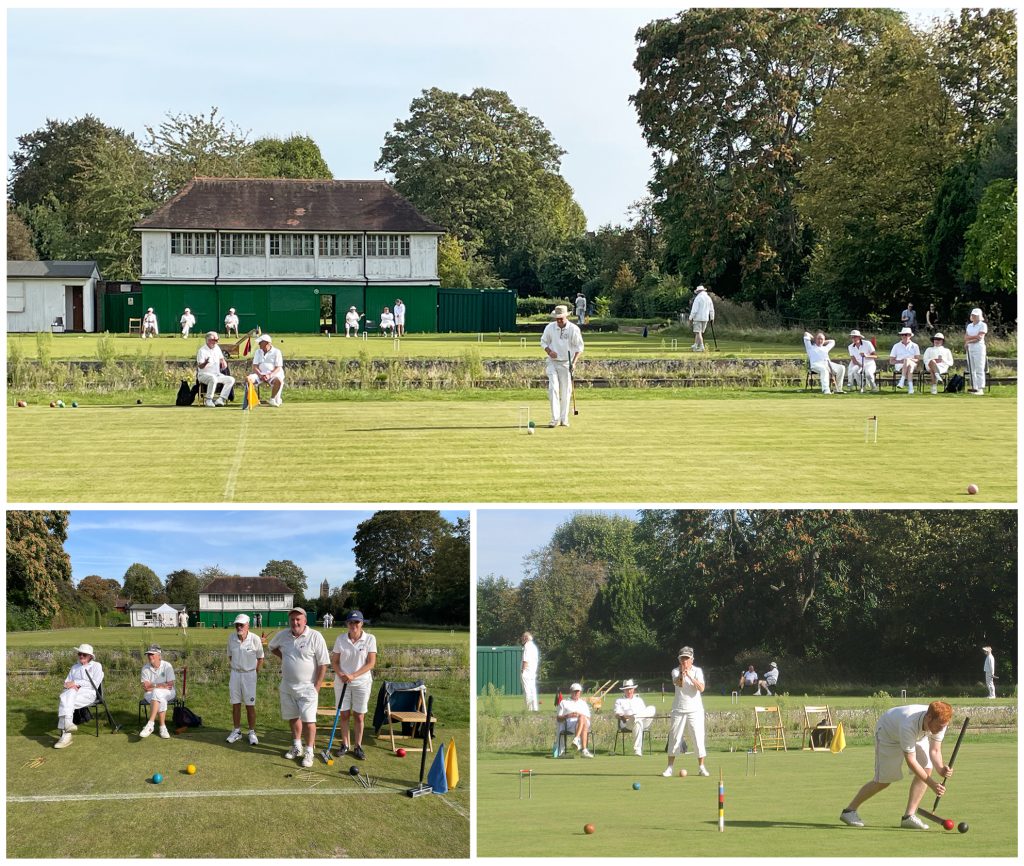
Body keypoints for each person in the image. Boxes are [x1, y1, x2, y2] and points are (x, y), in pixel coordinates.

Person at [840, 701, 954, 829]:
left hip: (918, 735)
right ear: (929, 717)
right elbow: (911, 761)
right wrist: (932, 784)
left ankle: (908, 817)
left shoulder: (940, 723)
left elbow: (935, 750)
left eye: (943, 726)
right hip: (888, 734)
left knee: (927, 767)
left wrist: (940, 768)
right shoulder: (908, 724)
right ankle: (849, 811)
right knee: (883, 781)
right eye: (939, 726)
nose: (941, 729)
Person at [268, 607, 330, 768]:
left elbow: (324, 663)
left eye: (298, 619)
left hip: (308, 687)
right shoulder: (283, 635)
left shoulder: (315, 636)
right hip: (287, 685)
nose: (295, 622)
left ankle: (309, 751)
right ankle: (297, 746)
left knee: (309, 721)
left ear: (305, 621)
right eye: (292, 620)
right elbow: (271, 647)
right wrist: (285, 658)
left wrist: (317, 685)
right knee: (293, 717)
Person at [330, 610, 377, 760]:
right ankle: (345, 744)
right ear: (347, 624)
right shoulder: (340, 639)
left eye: (356, 622)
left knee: (359, 716)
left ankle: (358, 746)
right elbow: (335, 662)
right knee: (344, 714)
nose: (353, 625)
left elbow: (371, 663)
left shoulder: (370, 639)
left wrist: (353, 675)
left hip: (361, 683)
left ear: (362, 623)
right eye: (351, 622)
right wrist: (341, 674)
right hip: (342, 682)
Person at [663, 647, 709, 777]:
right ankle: (669, 768)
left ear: (692, 660)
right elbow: (678, 684)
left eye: (687, 658)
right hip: (678, 709)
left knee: (698, 737)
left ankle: (701, 767)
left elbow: (701, 688)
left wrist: (689, 675)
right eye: (682, 658)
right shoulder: (675, 671)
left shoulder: (698, 671)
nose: (684, 661)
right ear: (679, 659)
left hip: (695, 710)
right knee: (674, 738)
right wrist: (682, 674)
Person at [540, 305, 585, 428]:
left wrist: (574, 363)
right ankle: (555, 419)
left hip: (567, 363)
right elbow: (543, 342)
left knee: (566, 392)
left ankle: (564, 419)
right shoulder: (550, 328)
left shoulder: (573, 329)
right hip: (552, 362)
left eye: (561, 318)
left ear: (566, 316)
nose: (559, 320)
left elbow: (579, 348)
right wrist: (549, 351)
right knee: (553, 388)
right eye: (557, 318)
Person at [53, 644, 103, 749]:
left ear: (90, 656)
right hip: (73, 694)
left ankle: (66, 735)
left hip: (89, 694)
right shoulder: (74, 667)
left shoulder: (96, 666)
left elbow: (94, 684)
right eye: (79, 654)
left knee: (64, 700)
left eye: (84, 654)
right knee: (68, 696)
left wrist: (76, 683)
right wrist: (71, 685)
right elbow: (66, 683)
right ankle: (68, 727)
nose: (81, 656)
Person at [226, 614, 264, 745]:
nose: (239, 627)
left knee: (250, 705)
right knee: (235, 704)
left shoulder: (255, 639)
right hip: (235, 674)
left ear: (248, 625)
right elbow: (230, 656)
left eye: (241, 624)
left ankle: (252, 732)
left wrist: (255, 671)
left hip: (249, 675)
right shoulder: (231, 638)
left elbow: (260, 658)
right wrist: (237, 667)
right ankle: (237, 731)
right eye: (237, 624)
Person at [139, 645, 176, 739]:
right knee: (159, 696)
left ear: (159, 655)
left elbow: (170, 685)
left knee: (156, 693)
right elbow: (146, 688)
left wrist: (153, 686)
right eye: (148, 654)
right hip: (150, 694)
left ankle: (150, 724)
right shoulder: (145, 668)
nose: (149, 656)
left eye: (152, 654)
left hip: (169, 692)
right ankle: (162, 727)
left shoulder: (167, 665)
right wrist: (158, 686)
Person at [614, 679, 656, 756]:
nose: (629, 691)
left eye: (630, 689)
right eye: (627, 690)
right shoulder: (619, 701)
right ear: (624, 690)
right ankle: (637, 750)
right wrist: (628, 717)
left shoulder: (639, 700)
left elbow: (645, 712)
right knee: (637, 722)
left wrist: (636, 716)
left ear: (633, 689)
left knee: (652, 708)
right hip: (627, 723)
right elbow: (617, 715)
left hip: (643, 721)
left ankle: (636, 717)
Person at [197, 331, 235, 408]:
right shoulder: (202, 351)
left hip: (217, 374)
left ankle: (221, 399)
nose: (216, 342)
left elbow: (221, 358)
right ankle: (208, 400)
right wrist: (205, 363)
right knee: (213, 378)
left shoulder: (217, 348)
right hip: (204, 375)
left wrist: (223, 362)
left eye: (217, 340)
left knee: (231, 379)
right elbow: (200, 366)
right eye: (215, 340)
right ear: (209, 340)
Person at [555, 683, 593, 758]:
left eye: (578, 691)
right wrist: (568, 715)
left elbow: (588, 718)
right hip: (568, 725)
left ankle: (577, 739)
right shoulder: (564, 702)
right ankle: (583, 749)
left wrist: (579, 715)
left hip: (582, 724)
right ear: (571, 692)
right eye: (574, 691)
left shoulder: (583, 703)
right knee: (583, 720)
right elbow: (558, 718)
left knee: (582, 718)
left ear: (580, 692)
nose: (576, 693)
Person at [247, 333, 284, 407]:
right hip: (259, 374)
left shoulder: (277, 352)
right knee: (248, 379)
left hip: (272, 375)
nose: (259, 344)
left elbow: (278, 367)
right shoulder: (258, 352)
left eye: (261, 342)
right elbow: (255, 366)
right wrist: (260, 375)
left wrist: (269, 375)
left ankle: (272, 399)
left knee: (279, 381)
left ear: (267, 343)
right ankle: (253, 400)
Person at [889, 327, 921, 394]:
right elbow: (891, 361)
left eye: (906, 335)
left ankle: (902, 381)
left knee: (909, 363)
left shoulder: (915, 346)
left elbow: (917, 359)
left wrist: (909, 359)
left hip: (913, 364)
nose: (904, 336)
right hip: (900, 366)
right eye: (902, 335)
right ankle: (911, 388)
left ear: (910, 336)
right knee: (909, 367)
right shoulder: (896, 346)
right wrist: (901, 361)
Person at [964, 308, 987, 395]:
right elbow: (965, 337)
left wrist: (969, 340)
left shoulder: (983, 325)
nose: (974, 317)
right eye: (973, 315)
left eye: (976, 315)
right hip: (970, 348)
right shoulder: (969, 326)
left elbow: (979, 337)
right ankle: (974, 387)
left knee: (979, 368)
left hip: (979, 348)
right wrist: (970, 339)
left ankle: (980, 389)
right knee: (971, 369)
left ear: (979, 316)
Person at [687, 285, 715, 351]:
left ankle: (702, 346)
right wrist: (712, 318)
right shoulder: (708, 298)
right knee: (699, 332)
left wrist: (690, 318)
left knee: (698, 332)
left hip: (698, 318)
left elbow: (694, 310)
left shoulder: (698, 298)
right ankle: (695, 345)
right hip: (705, 318)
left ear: (698, 291)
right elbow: (711, 309)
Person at [521, 632, 539, 712]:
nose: (522, 639)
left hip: (527, 672)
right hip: (533, 671)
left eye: (522, 637)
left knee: (527, 690)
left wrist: (522, 670)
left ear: (525, 638)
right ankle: (535, 708)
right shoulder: (534, 647)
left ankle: (529, 709)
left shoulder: (527, 646)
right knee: (533, 690)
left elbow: (525, 660)